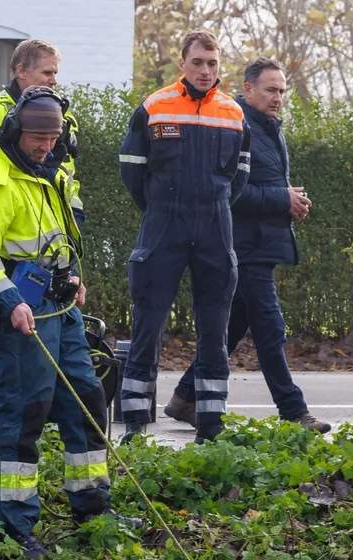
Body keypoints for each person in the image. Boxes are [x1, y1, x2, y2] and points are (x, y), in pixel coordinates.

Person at [0, 88, 115, 560]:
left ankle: (93, 508)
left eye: (52, 137)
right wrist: (7, 300)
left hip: (59, 306)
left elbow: (60, 234)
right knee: (23, 411)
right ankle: (14, 527)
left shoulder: (53, 171)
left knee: (86, 399)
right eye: (36, 138)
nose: (45, 146)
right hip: (18, 311)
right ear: (14, 132)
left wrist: (73, 274)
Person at [162, 58, 330, 434]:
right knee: (271, 328)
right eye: (271, 89)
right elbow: (225, 190)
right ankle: (294, 412)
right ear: (248, 88)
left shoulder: (269, 127)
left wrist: (288, 202)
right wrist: (280, 199)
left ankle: (184, 397)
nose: (278, 98)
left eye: (282, 91)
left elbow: (264, 185)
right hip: (240, 246)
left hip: (260, 244)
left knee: (233, 326)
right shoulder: (235, 124)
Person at [116, 30, 251, 444]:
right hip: (164, 228)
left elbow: (239, 177)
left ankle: (211, 427)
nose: (206, 71)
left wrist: (213, 208)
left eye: (212, 63)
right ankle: (136, 425)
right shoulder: (155, 107)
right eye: (198, 63)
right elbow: (132, 169)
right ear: (182, 64)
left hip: (215, 227)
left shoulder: (233, 113)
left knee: (215, 329)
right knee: (148, 326)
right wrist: (162, 209)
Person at [0, 38, 84, 417]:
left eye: (56, 73)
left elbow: (65, 178)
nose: (53, 80)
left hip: (51, 250)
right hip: (7, 252)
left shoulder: (56, 112)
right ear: (21, 71)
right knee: (5, 359)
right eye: (47, 72)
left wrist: (68, 229)